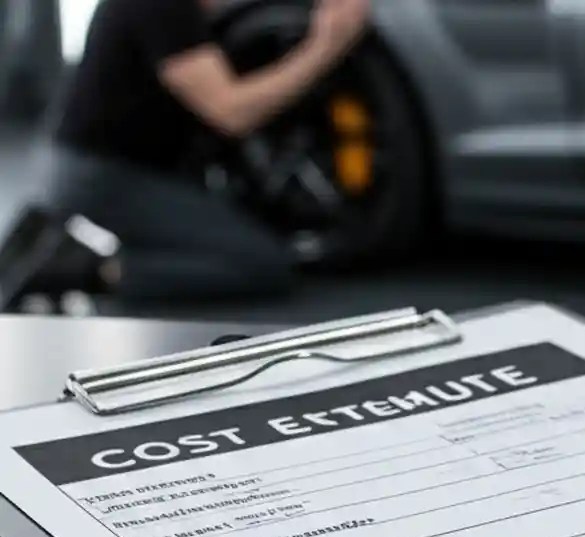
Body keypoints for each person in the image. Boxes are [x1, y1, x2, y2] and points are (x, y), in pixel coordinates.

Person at [0, 0, 369, 310]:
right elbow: (231, 113)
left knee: (228, 235)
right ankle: (84, 269)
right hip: (103, 177)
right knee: (262, 264)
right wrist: (325, 45)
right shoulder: (159, 6)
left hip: (115, 163)